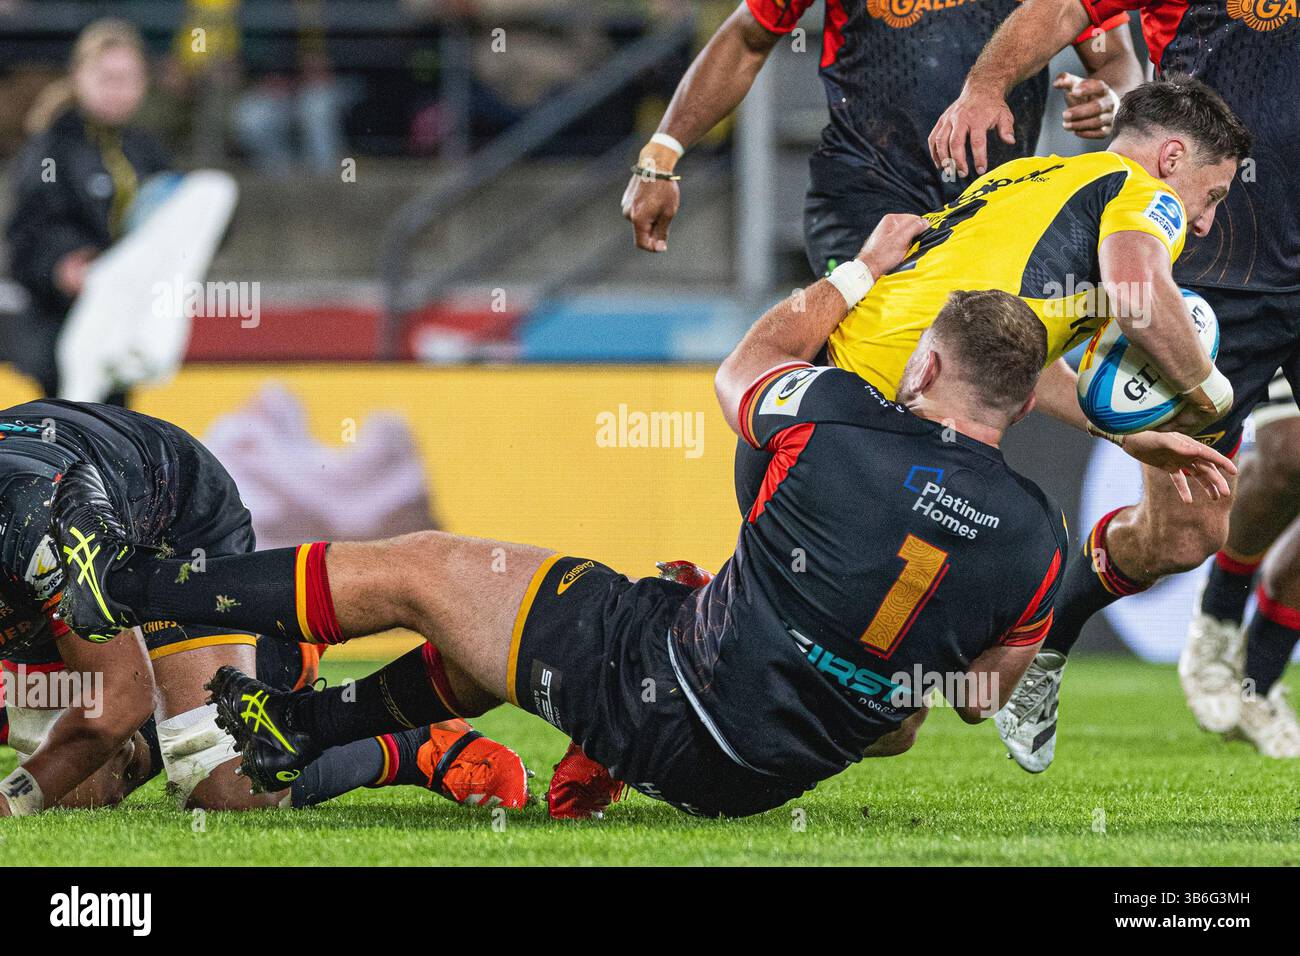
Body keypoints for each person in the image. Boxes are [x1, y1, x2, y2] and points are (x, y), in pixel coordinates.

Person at [55, 216, 1071, 818]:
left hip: (672, 701)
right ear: (1023, 405)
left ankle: (132, 582)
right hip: (764, 774)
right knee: (536, 609)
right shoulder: (1036, 541)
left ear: (925, 366)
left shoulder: (845, 423)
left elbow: (743, 371)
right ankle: (310, 720)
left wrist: (859, 271)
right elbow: (976, 698)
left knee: (426, 566)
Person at [929, 0, 1300, 763]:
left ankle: (1255, 672)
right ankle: (1053, 634)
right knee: (1183, 535)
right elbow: (1068, 8)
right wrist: (985, 86)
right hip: (1217, 279)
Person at [0, 399, 526, 816]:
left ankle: (400, 737)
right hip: (64, 529)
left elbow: (122, 698)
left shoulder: (36, 531)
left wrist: (13, 800)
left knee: (228, 784)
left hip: (169, 521)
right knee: (82, 789)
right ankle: (208, 695)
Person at [621, 0, 1142, 274]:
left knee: (964, 402)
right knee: (890, 378)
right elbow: (746, 39)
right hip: (862, 199)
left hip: (988, 212)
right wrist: (660, 154)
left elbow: (1117, 61)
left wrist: (1114, 101)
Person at [4, 20, 168, 407]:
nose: (119, 90)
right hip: (60, 326)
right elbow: (27, 234)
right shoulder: (51, 147)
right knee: (72, 433)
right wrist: (64, 265)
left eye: (128, 78)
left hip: (125, 324)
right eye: (108, 78)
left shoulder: (146, 150)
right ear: (79, 77)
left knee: (117, 431)